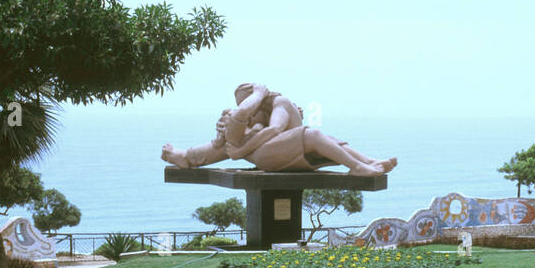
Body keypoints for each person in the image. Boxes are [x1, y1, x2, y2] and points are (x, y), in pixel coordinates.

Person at [162, 83, 397, 175]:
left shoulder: (279, 104)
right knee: (314, 134)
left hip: (279, 154)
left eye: (245, 102)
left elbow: (274, 131)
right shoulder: (249, 120)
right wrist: (238, 141)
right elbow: (226, 143)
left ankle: (367, 163)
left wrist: (241, 149)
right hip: (273, 156)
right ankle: (361, 165)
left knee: (321, 136)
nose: (244, 108)